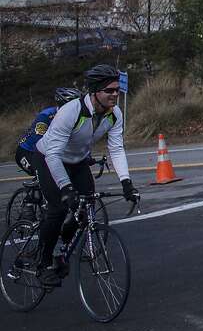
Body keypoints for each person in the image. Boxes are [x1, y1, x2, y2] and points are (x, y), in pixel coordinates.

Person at [32, 65, 138, 287]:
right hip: (49, 159)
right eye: (109, 90)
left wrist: (126, 182)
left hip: (77, 162)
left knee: (87, 205)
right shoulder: (71, 111)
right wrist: (66, 188)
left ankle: (63, 253)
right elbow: (53, 155)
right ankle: (42, 264)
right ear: (95, 92)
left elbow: (116, 149)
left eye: (117, 90)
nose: (115, 95)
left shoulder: (114, 114)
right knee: (58, 209)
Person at [14, 87, 80, 176]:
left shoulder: (75, 117)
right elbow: (38, 141)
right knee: (46, 175)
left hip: (49, 151)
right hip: (27, 151)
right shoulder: (46, 116)